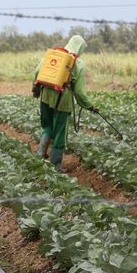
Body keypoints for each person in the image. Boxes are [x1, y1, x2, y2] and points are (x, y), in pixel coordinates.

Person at [32, 34, 98, 171]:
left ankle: (39, 154)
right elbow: (79, 92)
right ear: (80, 48)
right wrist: (89, 106)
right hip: (62, 101)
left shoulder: (54, 55)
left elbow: (37, 71)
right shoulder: (78, 63)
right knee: (60, 132)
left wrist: (36, 89)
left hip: (45, 96)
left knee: (48, 126)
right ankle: (55, 167)